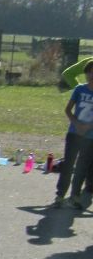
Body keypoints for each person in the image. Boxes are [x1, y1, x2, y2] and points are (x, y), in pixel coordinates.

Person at [55, 59, 93, 210]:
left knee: (82, 167)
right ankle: (60, 195)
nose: (91, 75)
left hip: (90, 136)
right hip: (74, 133)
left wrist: (88, 126)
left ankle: (75, 196)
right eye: (89, 72)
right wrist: (76, 124)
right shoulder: (79, 89)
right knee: (68, 165)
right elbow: (68, 110)